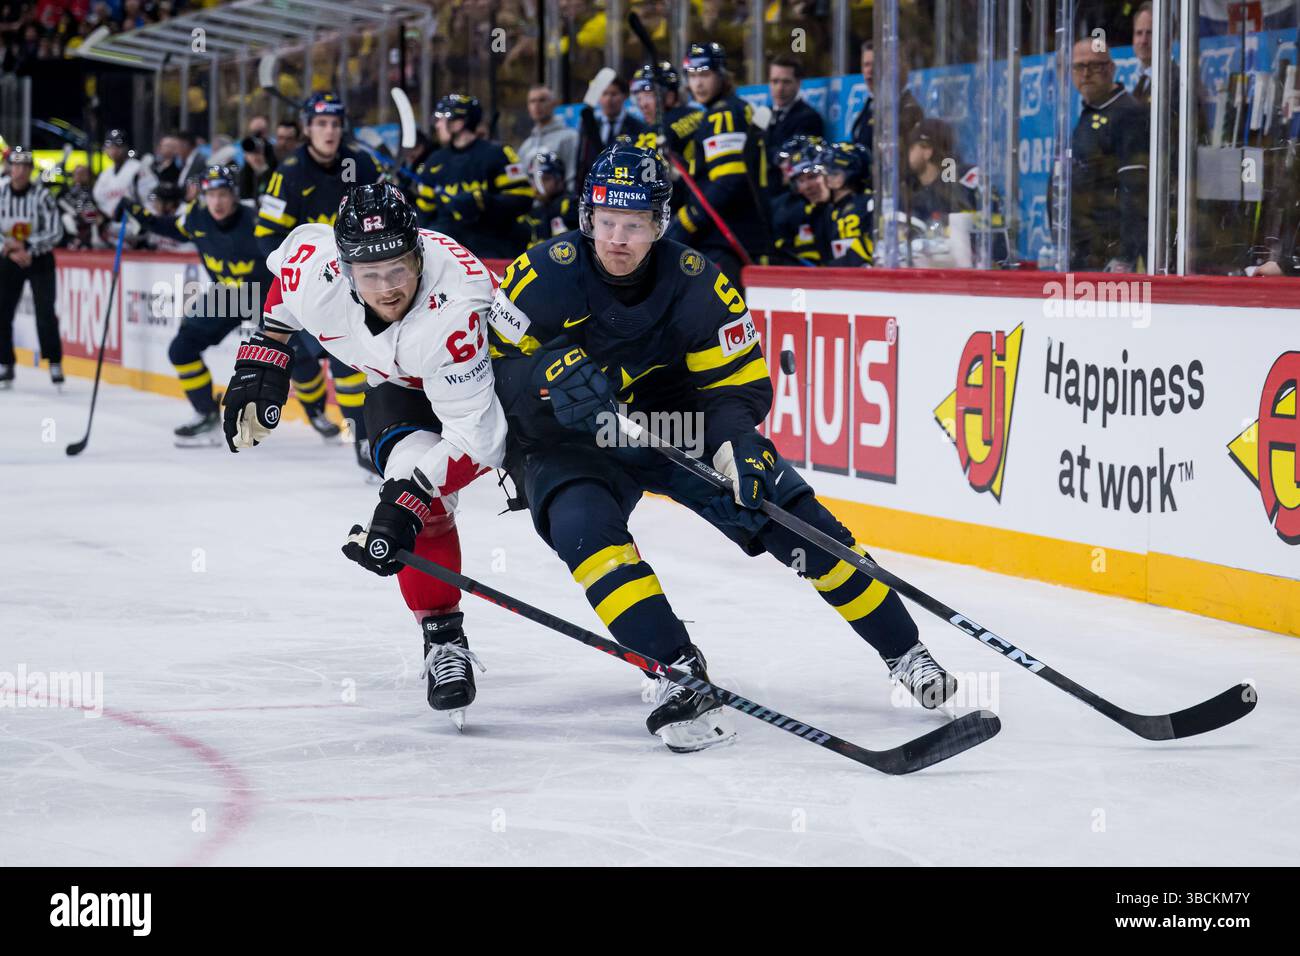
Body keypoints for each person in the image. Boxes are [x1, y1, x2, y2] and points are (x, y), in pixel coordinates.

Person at [487, 144, 956, 753]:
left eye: (634, 225)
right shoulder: (541, 275)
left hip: (676, 421)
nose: (618, 239)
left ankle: (905, 651)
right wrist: (544, 384)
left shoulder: (697, 283)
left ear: (659, 224)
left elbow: (734, 386)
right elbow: (489, 375)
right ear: (586, 218)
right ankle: (675, 669)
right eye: (607, 222)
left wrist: (738, 445)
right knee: (590, 538)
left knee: (797, 521)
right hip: (571, 439)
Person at [222, 183, 507, 728]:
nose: (386, 288)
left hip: (493, 387)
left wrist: (408, 502)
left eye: (399, 270)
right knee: (411, 483)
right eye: (369, 275)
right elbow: (284, 285)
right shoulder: (317, 270)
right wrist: (267, 353)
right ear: (343, 266)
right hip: (401, 381)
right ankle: (444, 641)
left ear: (419, 252)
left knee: (544, 509)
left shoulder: (458, 300)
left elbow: (481, 436)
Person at [255, 91, 385, 467]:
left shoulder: (359, 161)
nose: (329, 132)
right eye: (321, 124)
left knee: (361, 367)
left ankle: (367, 444)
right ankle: (331, 421)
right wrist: (300, 274)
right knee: (321, 363)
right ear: (308, 128)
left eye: (334, 124)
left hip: (361, 282)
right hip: (310, 288)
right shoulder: (290, 172)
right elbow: (267, 235)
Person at [119, 164, 283, 445]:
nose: (216, 202)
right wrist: (137, 212)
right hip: (227, 294)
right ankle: (205, 414)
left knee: (295, 355)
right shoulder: (196, 217)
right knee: (181, 350)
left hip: (265, 294)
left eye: (222, 194)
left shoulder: (257, 220)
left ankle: (319, 414)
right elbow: (171, 228)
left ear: (234, 195)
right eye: (211, 195)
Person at [664, 41, 769, 279]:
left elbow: (728, 181)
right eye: (692, 75)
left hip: (728, 237)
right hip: (739, 232)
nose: (698, 83)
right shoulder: (728, 109)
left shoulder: (723, 114)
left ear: (722, 74)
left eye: (705, 74)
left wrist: (688, 219)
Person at [412, 93, 534, 262]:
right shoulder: (434, 161)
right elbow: (425, 214)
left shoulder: (498, 153)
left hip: (494, 250)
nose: (437, 125)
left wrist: (483, 201)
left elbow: (524, 199)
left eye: (441, 118)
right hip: (449, 257)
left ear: (458, 123)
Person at [1064, 39, 1149, 271]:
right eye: (1079, 67)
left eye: (1095, 65)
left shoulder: (1127, 114)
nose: (1086, 73)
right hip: (1084, 252)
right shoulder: (1091, 113)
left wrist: (1125, 255)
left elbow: (1136, 190)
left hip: (1109, 257)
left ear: (1111, 68)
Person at [0, 146, 64, 389]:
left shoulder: (42, 196)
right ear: (9, 167)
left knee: (45, 312)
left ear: (30, 169)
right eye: (16, 165)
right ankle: (5, 362)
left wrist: (28, 247)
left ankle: (55, 361)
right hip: (9, 257)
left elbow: (55, 230)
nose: (20, 171)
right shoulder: (1, 192)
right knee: (2, 311)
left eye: (25, 166)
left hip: (39, 258)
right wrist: (9, 248)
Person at [765, 55, 824, 201]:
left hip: (789, 196)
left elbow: (793, 156)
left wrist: (769, 153)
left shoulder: (808, 117)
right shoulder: (763, 114)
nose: (780, 88)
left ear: (798, 83)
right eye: (775, 81)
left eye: (786, 82)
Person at [812, 142, 874, 267]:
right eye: (827, 171)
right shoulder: (827, 210)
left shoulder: (869, 203)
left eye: (834, 172)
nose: (828, 177)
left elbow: (874, 245)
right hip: (839, 277)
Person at [91, 128, 158, 245]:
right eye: (110, 146)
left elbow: (152, 198)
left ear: (126, 148)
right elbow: (98, 199)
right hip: (112, 228)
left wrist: (146, 221)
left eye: (117, 146)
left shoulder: (138, 168)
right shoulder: (105, 174)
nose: (113, 150)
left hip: (134, 227)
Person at [769, 136, 826, 265]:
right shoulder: (787, 208)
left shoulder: (842, 206)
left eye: (812, 176)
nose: (783, 166)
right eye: (801, 180)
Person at [517, 85, 580, 192]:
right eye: (532, 101)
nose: (537, 105)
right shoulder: (526, 145)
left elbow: (572, 176)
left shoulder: (570, 137)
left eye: (542, 100)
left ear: (553, 104)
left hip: (560, 204)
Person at [514, 150, 579, 249]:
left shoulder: (570, 204)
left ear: (560, 180)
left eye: (545, 179)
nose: (537, 186)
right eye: (534, 180)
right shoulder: (534, 211)